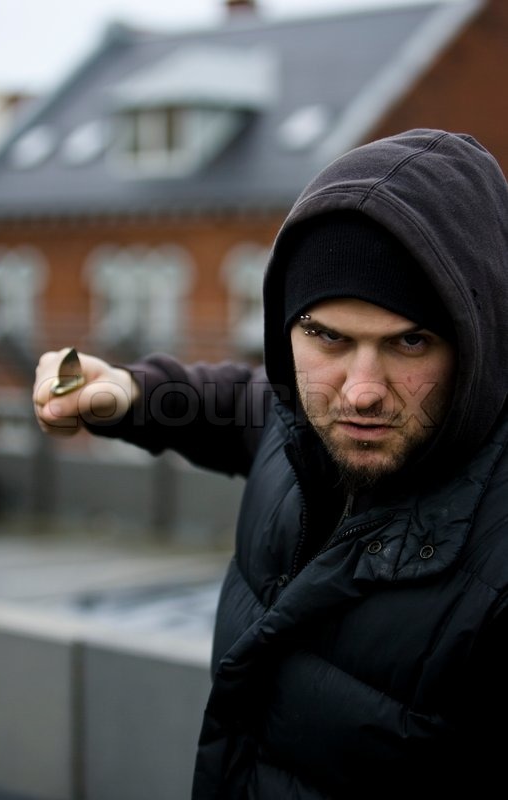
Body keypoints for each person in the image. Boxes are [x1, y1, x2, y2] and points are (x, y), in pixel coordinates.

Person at [33, 128, 508, 799]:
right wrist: (130, 392)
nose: (361, 392)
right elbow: (239, 402)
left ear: (477, 340)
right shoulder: (302, 416)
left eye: (408, 342)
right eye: (327, 337)